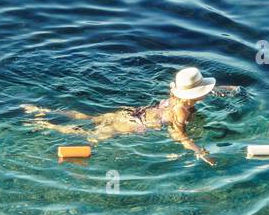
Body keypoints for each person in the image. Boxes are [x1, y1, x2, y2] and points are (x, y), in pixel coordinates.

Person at [22, 67, 238, 165]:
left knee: (88, 117)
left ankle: (43, 110)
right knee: (91, 137)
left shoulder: (175, 97)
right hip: (134, 125)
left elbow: (203, 91)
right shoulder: (181, 111)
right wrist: (199, 151)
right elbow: (178, 135)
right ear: (195, 94)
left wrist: (228, 89)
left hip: (134, 113)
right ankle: (47, 126)